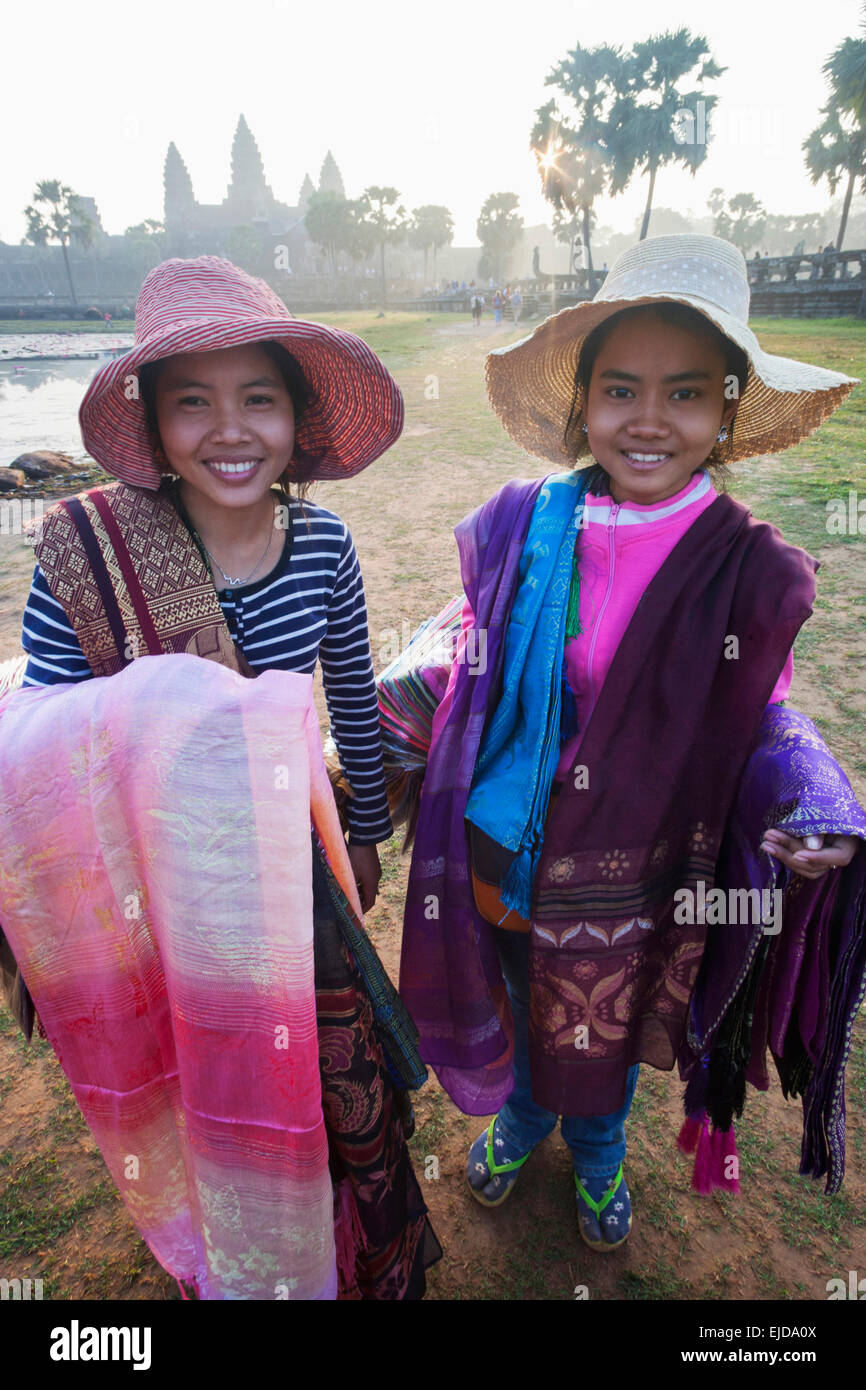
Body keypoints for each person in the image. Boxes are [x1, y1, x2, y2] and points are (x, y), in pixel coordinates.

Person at [400, 233, 863, 1254]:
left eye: (685, 392)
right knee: (529, 1004)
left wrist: (810, 801)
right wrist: (384, 723)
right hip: (509, 853)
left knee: (600, 1031)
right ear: (583, 404)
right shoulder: (531, 523)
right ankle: (523, 1119)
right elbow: (463, 643)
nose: (647, 419)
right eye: (620, 389)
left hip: (639, 869)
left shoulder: (745, 568)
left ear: (727, 407)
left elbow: (764, 714)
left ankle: (599, 1149)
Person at [3, 255, 440, 1298]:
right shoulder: (89, 553)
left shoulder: (325, 548)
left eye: (258, 399)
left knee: (318, 1056)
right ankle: (230, 1221)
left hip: (295, 861)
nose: (229, 430)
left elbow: (346, 696)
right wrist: (168, 711)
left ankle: (336, 1230)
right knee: (207, 1054)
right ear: (151, 429)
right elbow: (36, 734)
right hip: (160, 878)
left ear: (297, 420)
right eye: (191, 403)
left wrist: (366, 834)